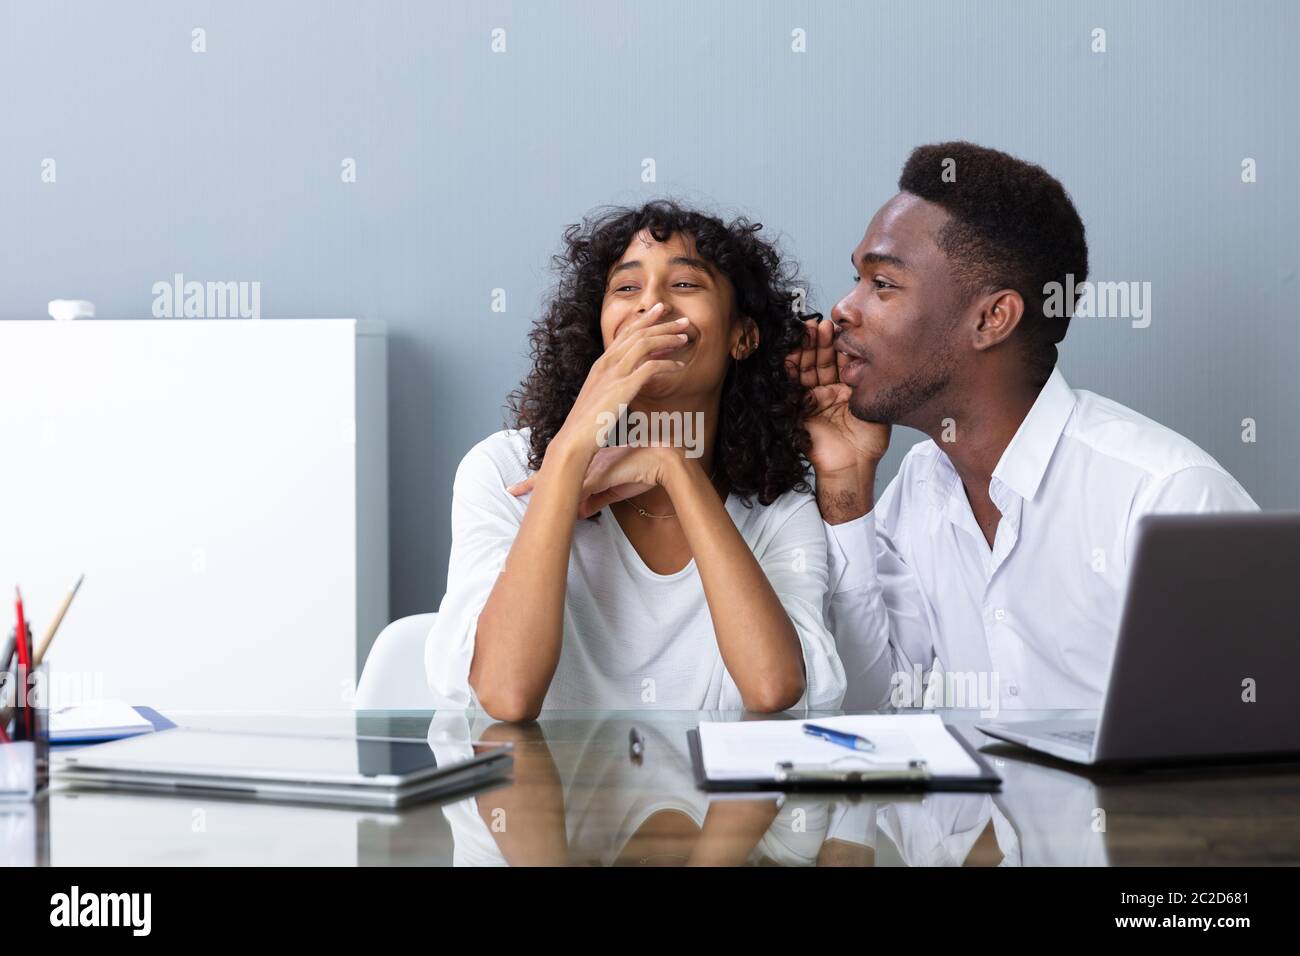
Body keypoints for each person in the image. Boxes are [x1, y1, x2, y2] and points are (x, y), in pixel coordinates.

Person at [790, 141, 1258, 711]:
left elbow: (1244, 754)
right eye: (856, 280)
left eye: (882, 284)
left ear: (992, 318)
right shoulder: (920, 484)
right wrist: (845, 487)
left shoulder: (1166, 496)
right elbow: (869, 710)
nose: (843, 309)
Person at [425, 200, 846, 720]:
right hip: (543, 800)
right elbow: (506, 695)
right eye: (626, 288)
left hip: (715, 803)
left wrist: (672, 464)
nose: (652, 307)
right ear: (599, 329)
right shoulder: (503, 470)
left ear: (743, 335)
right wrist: (568, 457)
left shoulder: (778, 509)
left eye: (686, 285)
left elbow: (773, 686)